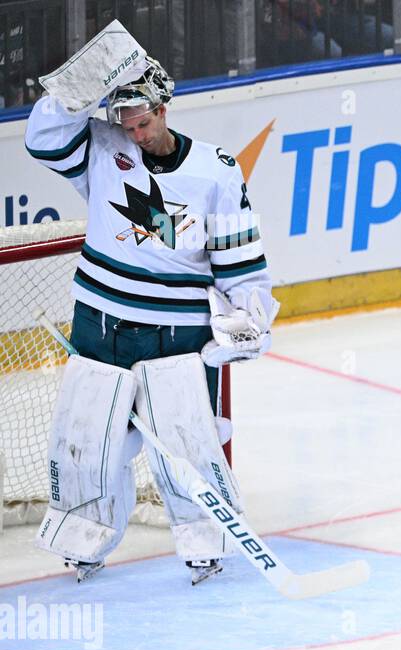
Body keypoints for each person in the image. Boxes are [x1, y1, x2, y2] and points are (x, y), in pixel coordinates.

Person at [25, 33, 277, 586]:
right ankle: (83, 542)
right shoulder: (101, 145)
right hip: (99, 323)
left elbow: (243, 270)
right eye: (127, 124)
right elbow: (41, 140)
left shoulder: (216, 170)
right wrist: (77, 91)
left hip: (176, 333)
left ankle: (204, 543)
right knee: (89, 442)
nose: (135, 134)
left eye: (143, 123)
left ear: (163, 108)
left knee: (187, 443)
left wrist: (246, 324)